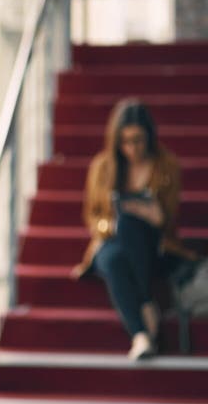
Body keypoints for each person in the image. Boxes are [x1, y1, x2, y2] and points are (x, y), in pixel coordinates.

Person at [72, 98, 196, 360]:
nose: (132, 148)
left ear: (149, 137)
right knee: (114, 255)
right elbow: (92, 216)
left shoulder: (166, 165)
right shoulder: (102, 167)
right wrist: (111, 225)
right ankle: (143, 320)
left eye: (138, 140)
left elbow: (169, 217)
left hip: (151, 243)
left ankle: (140, 329)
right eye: (125, 141)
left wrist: (156, 215)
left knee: (129, 229)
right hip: (110, 241)